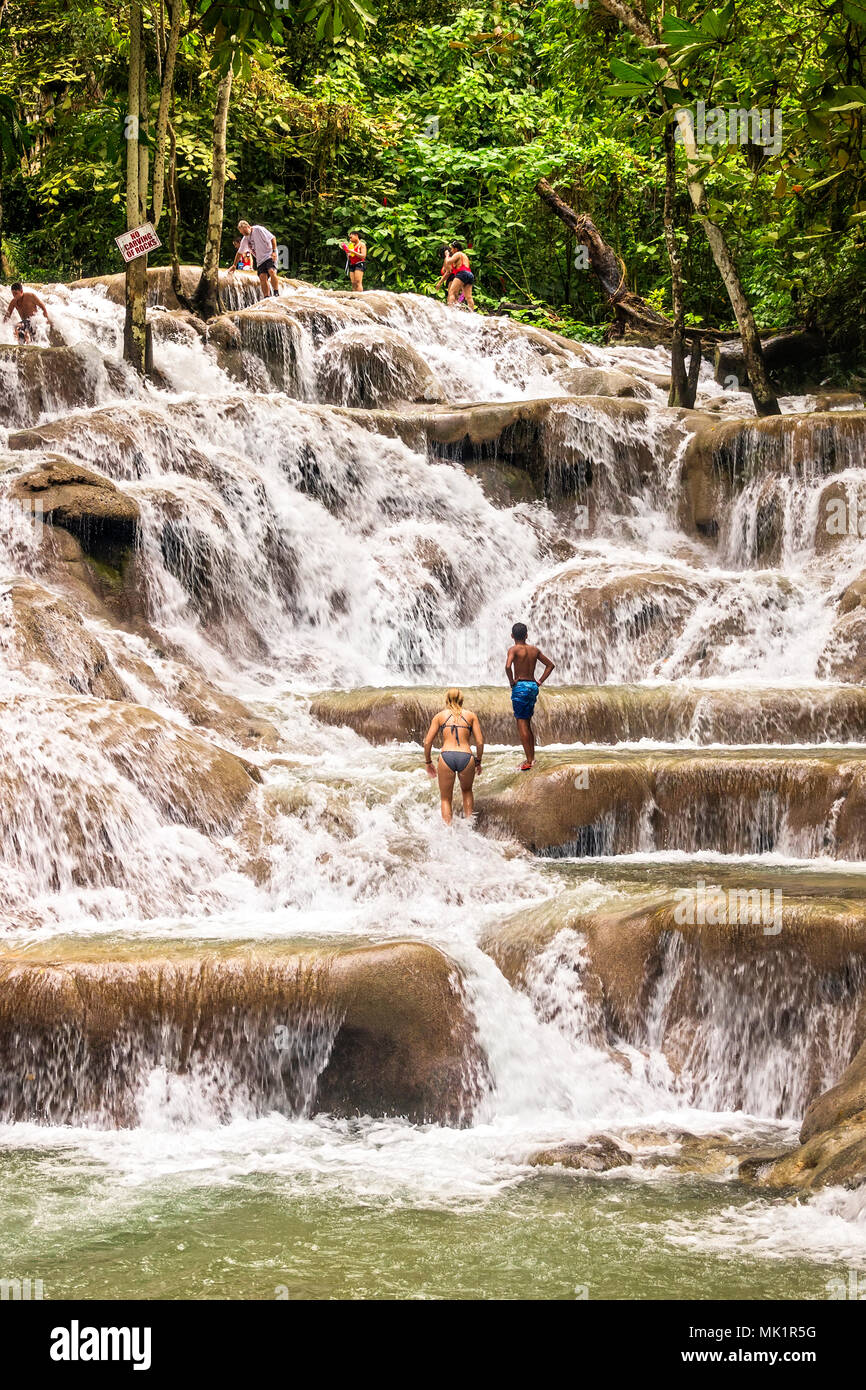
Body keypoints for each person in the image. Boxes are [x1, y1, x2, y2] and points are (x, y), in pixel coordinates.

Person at [423, 687, 484, 825]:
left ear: (447, 699)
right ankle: (469, 826)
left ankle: (448, 832)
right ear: (461, 699)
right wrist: (478, 761)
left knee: (445, 799)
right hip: (466, 756)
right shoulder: (471, 716)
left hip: (446, 757)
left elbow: (427, 742)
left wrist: (428, 762)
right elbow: (480, 742)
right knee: (467, 791)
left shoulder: (439, 716)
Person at [505, 622, 555, 771]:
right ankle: (531, 758)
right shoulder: (534, 650)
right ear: (526, 635)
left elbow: (508, 666)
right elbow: (550, 665)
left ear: (512, 636)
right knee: (527, 723)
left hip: (520, 687)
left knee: (522, 725)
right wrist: (539, 681)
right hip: (532, 686)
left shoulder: (513, 650)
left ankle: (529, 760)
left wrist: (512, 681)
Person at [229, 220, 279, 299]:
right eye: (242, 233)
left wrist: (274, 251)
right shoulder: (245, 239)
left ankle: (276, 293)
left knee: (271, 271)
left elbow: (273, 238)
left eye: (245, 232)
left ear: (248, 226)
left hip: (269, 254)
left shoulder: (259, 229)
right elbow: (239, 253)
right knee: (262, 277)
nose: (244, 234)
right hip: (260, 260)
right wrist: (234, 265)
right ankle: (267, 297)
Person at [441, 241, 475, 312]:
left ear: (456, 249)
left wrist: (447, 255)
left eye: (452, 249)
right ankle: (472, 312)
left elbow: (448, 261)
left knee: (451, 292)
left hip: (462, 273)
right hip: (470, 274)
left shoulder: (458, 254)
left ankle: (450, 311)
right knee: (468, 296)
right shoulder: (464, 255)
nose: (451, 251)